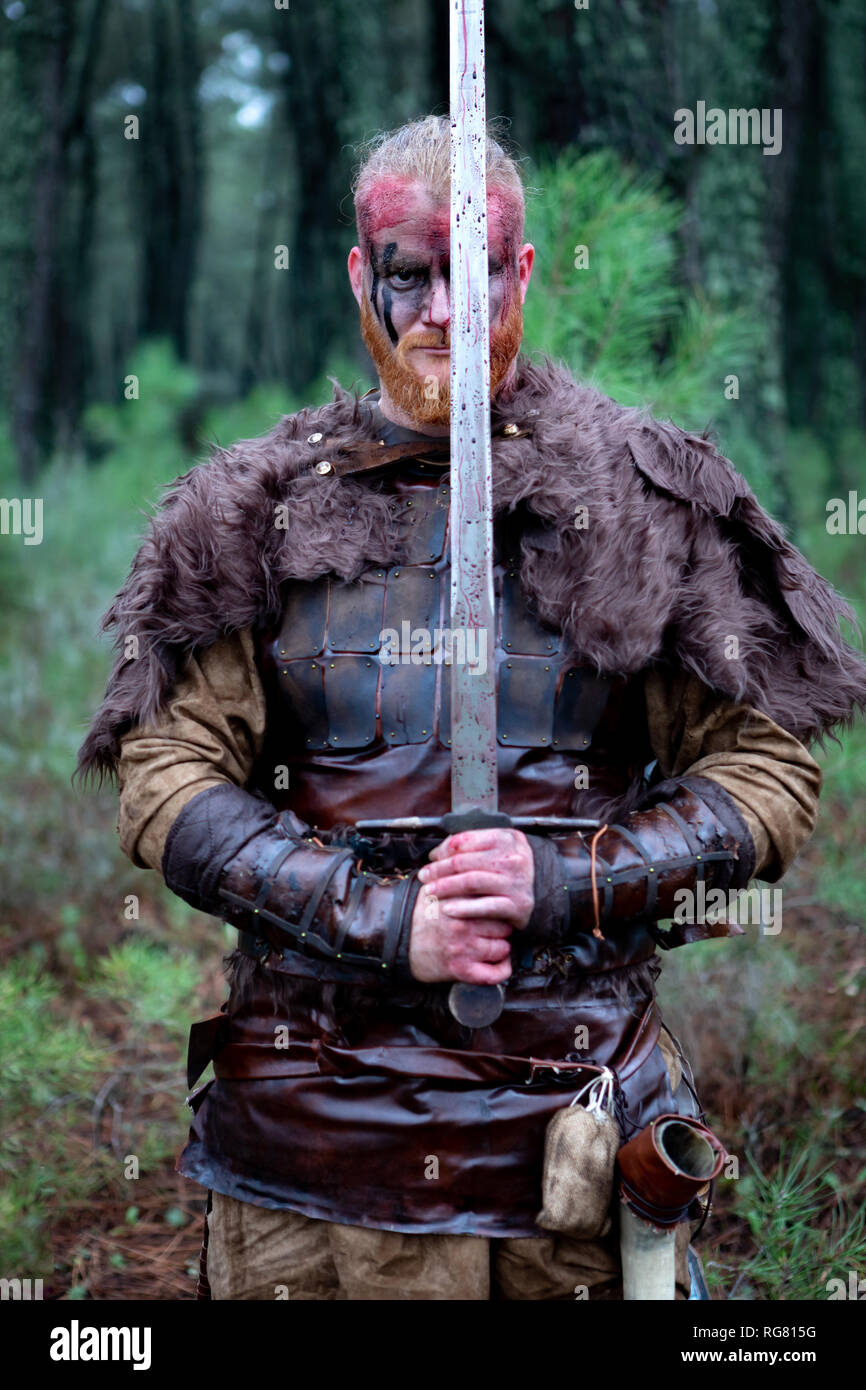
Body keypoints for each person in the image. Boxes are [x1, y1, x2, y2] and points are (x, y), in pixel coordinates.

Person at [78, 115, 866, 1301]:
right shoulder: (254, 511)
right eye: (409, 274)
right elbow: (166, 775)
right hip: (307, 1156)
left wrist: (568, 882)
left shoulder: (641, 498)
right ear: (359, 276)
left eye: (476, 269)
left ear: (525, 271)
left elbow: (763, 771)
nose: (445, 309)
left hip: (561, 1153)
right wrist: (386, 920)